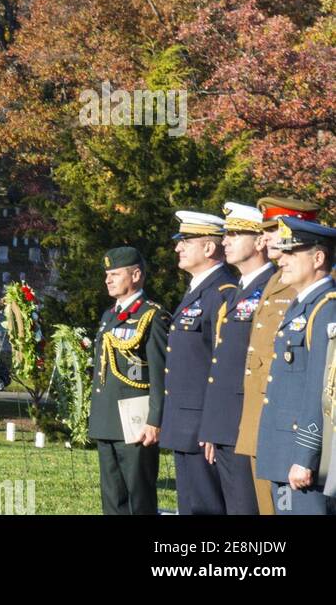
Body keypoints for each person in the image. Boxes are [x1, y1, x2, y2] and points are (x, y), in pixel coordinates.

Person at [237, 197, 319, 514]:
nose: (267, 237)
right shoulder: (274, 279)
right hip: (263, 412)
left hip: (293, 421)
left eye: (275, 229)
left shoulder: (313, 285)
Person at [256, 217, 336, 515]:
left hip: (303, 460)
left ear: (318, 258)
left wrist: (305, 455)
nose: (283, 260)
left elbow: (322, 390)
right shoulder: (303, 305)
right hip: (284, 451)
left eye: (292, 253)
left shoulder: (326, 309)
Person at [162, 210, 236, 514]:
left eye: (186, 241)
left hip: (202, 427)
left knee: (205, 508)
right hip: (185, 424)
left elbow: (224, 367)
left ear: (208, 248)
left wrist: (212, 427)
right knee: (190, 506)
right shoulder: (198, 290)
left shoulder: (222, 292)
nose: (178, 247)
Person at [88, 246, 171, 515]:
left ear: (136, 275)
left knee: (139, 497)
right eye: (106, 274)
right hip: (107, 418)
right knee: (112, 498)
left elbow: (160, 373)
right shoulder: (108, 316)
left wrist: (155, 419)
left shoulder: (152, 315)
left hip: (136, 420)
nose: (107, 279)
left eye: (115, 274)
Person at [199, 203, 271, 514]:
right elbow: (223, 363)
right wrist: (214, 427)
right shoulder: (238, 291)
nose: (225, 240)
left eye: (235, 233)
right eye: (226, 234)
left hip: (249, 422)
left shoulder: (271, 288)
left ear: (259, 241)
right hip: (228, 424)